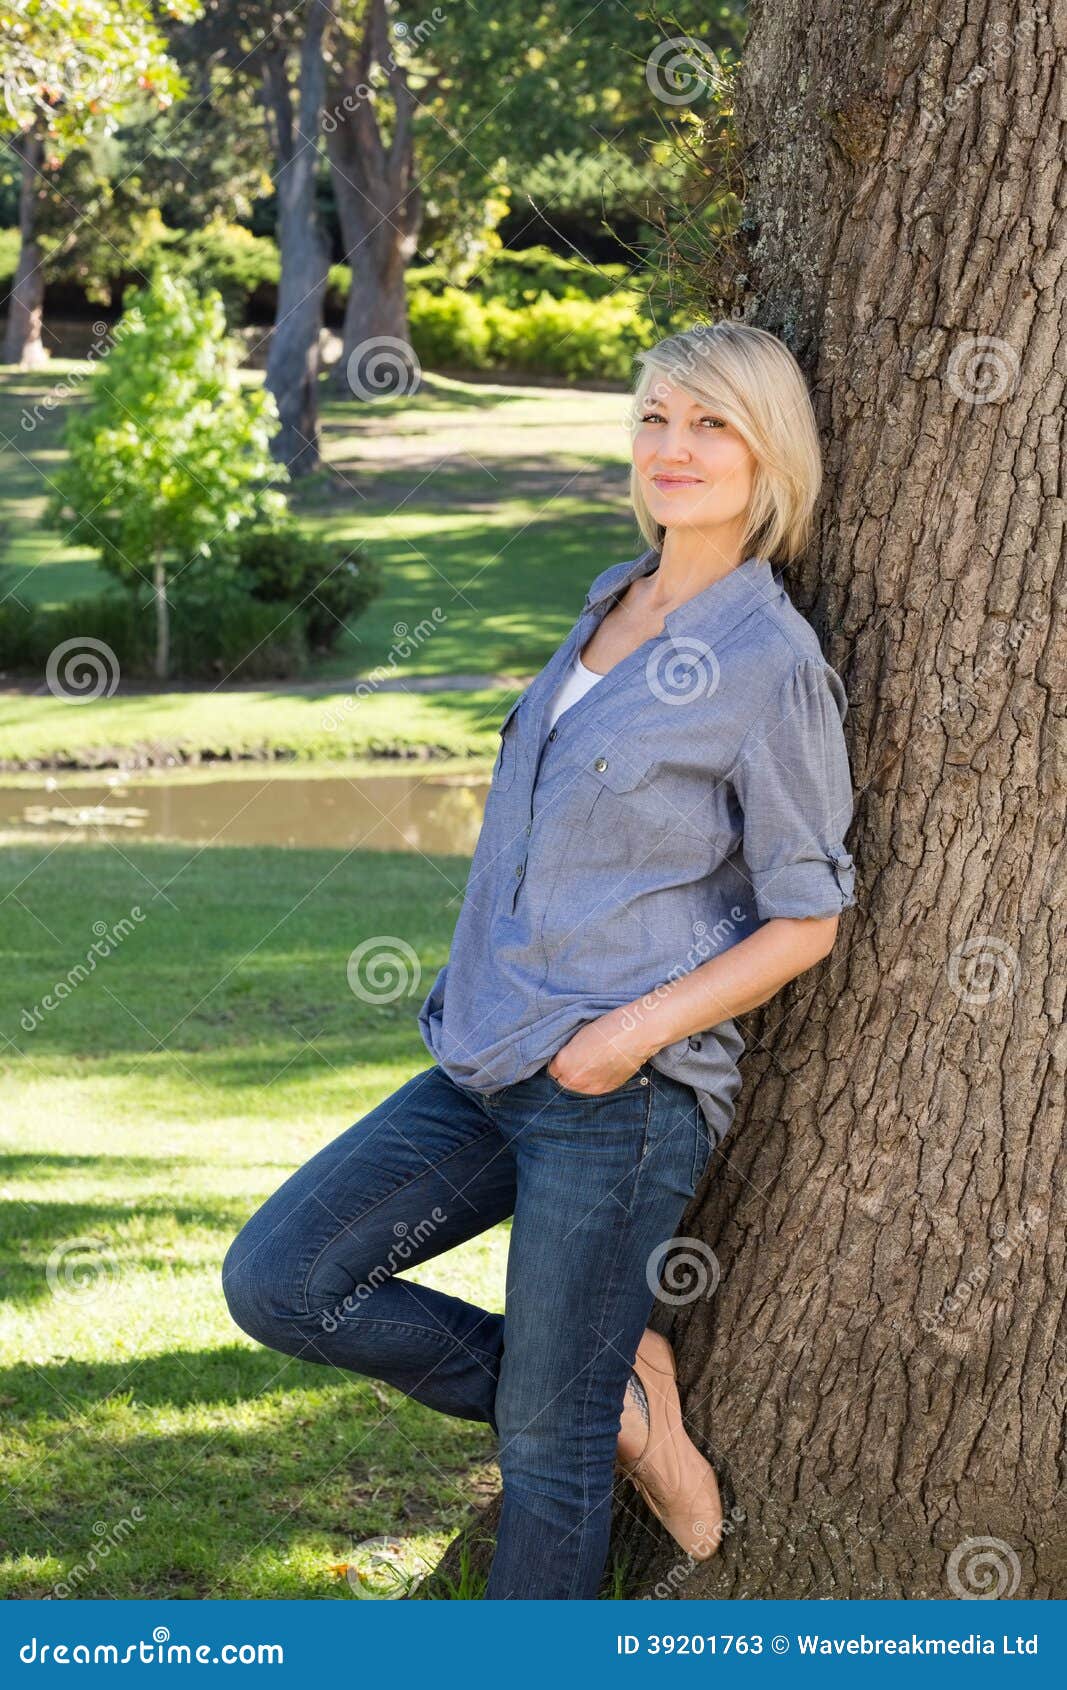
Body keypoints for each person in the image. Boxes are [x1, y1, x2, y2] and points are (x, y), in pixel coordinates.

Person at [222, 321, 858, 1600]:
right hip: (484, 1059)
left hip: (616, 1097)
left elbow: (808, 917)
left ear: (766, 452)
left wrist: (625, 1036)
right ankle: (615, 1387)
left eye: (710, 425)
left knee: (545, 1450)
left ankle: (579, 1428)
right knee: (281, 1278)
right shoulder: (607, 603)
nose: (672, 449)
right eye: (654, 418)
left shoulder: (768, 662)